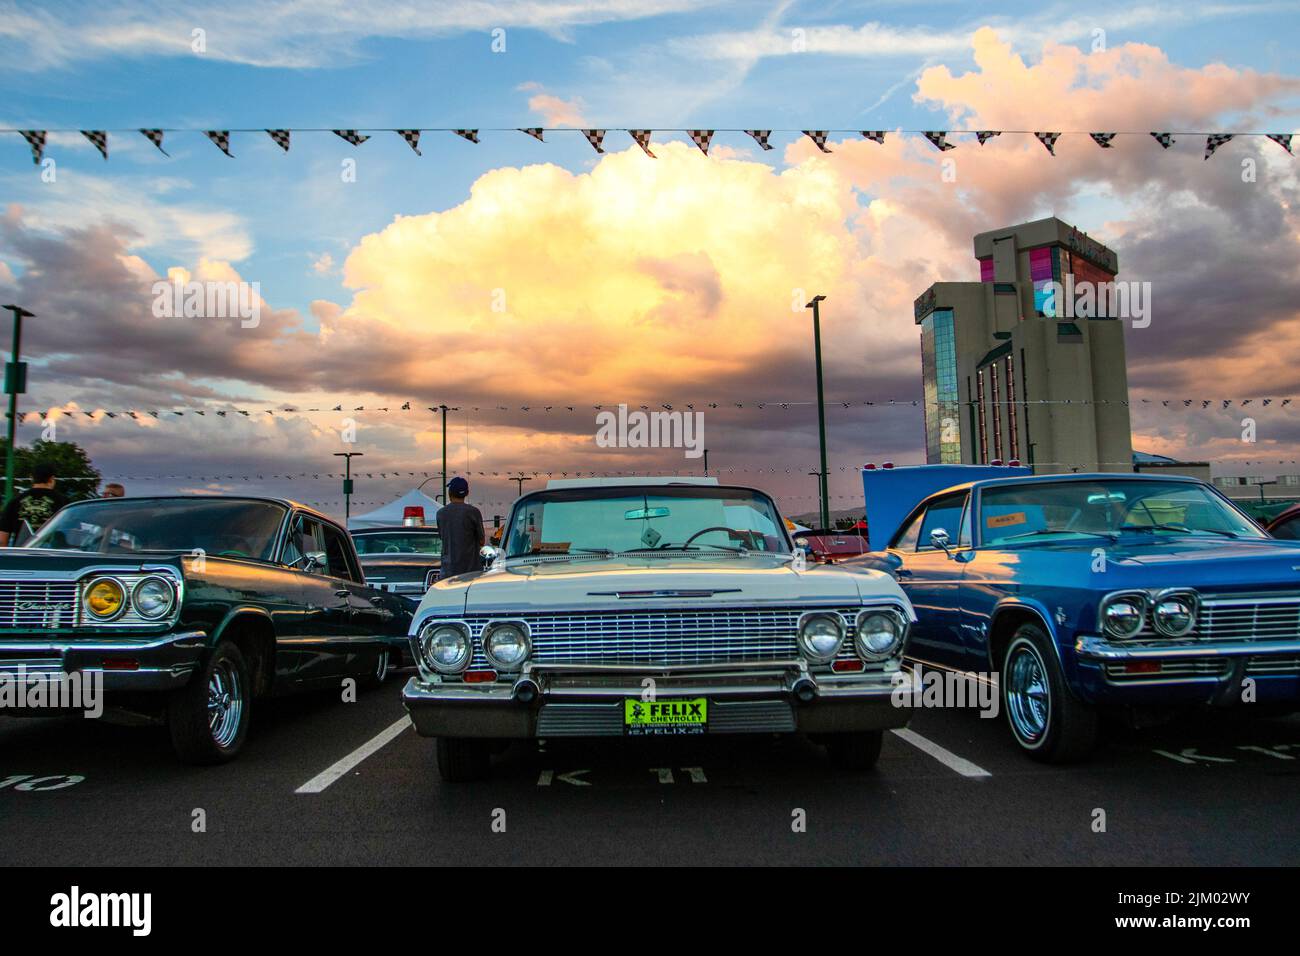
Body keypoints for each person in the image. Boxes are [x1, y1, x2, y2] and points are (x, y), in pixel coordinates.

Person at [0, 462, 68, 546]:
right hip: (53, 556)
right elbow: (72, 532)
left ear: (31, 478)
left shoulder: (15, 502)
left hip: (21, 555)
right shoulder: (63, 502)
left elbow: (2, 540)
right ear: (52, 479)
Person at [435, 476, 485, 579]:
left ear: (450, 493)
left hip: (448, 572)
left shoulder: (441, 513)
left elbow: (442, 537)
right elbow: (482, 541)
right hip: (471, 571)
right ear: (467, 493)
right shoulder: (474, 512)